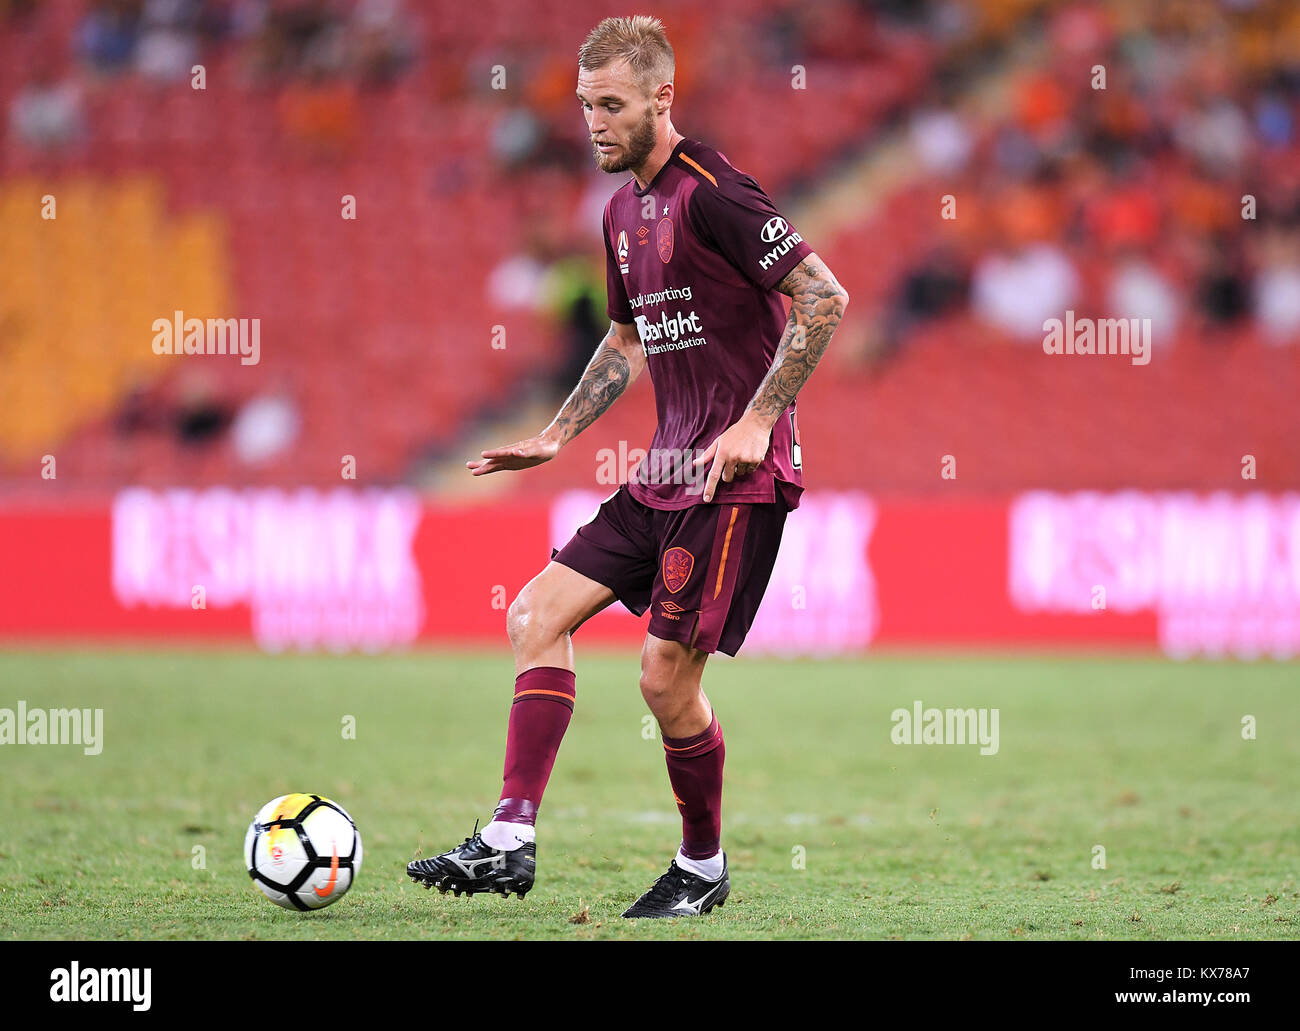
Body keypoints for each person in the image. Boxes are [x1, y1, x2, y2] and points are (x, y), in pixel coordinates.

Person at [407, 15, 849, 918]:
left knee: (662, 680)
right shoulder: (618, 213)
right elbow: (623, 341)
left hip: (735, 480)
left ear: (661, 99)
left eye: (611, 105)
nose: (595, 124)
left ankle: (702, 865)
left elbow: (824, 297)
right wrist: (555, 434)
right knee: (534, 613)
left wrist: (760, 419)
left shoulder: (717, 194)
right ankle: (508, 840)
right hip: (661, 474)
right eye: (585, 107)